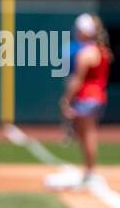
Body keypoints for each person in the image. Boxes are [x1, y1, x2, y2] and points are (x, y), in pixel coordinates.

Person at [46, 13, 112, 190]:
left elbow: (77, 80)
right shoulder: (103, 51)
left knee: (87, 134)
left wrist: (66, 100)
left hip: (86, 98)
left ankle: (90, 173)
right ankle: (89, 172)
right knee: (85, 134)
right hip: (97, 97)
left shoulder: (86, 53)